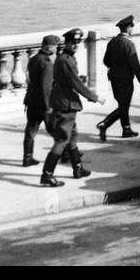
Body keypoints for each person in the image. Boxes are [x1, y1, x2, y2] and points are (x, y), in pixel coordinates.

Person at [40, 28, 104, 187]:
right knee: (62, 139)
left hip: (66, 101)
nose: (75, 45)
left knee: (72, 136)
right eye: (72, 42)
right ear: (66, 43)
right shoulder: (66, 60)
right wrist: (95, 97)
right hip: (65, 104)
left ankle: (78, 168)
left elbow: (70, 80)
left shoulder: (66, 58)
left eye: (77, 43)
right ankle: (47, 174)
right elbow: (76, 83)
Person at [98, 15, 140, 140]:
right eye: (131, 27)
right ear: (129, 28)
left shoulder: (112, 42)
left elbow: (106, 61)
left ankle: (126, 129)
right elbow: (135, 64)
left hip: (114, 78)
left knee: (122, 104)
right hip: (125, 78)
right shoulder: (128, 44)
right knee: (124, 105)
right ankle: (105, 124)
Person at [22, 34, 60, 166]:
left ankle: (27, 158)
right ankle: (65, 153)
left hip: (31, 100)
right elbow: (46, 87)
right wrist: (48, 105)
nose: (56, 48)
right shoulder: (47, 63)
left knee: (31, 130)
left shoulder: (33, 59)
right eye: (55, 46)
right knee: (55, 130)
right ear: (49, 47)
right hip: (43, 104)